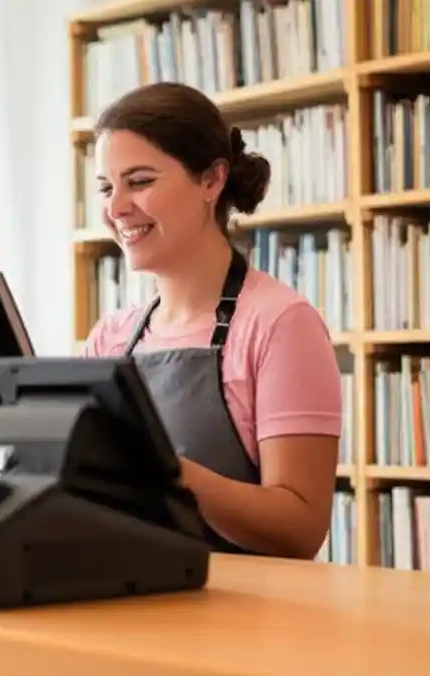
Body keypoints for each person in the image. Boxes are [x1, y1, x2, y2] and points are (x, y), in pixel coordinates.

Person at [82, 82, 342, 560]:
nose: (116, 208)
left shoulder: (281, 324)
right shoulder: (110, 339)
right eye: (106, 187)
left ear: (211, 181)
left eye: (139, 181)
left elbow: (301, 528)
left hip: (244, 622)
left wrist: (167, 471)